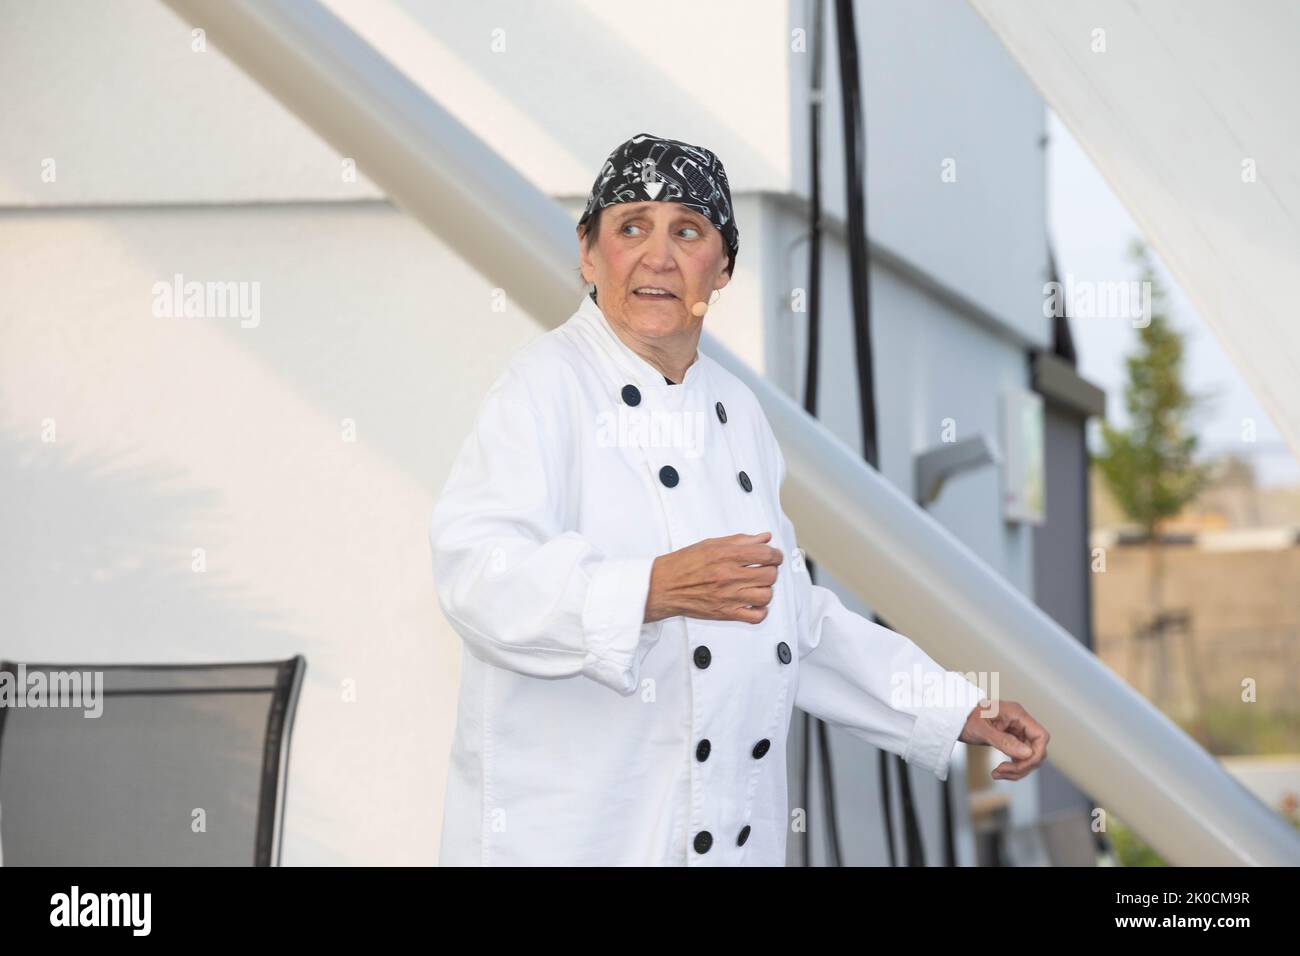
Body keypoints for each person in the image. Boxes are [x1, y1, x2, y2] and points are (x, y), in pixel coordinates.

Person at [428, 132, 1048, 866]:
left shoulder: (737, 411)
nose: (658, 256)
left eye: (687, 231)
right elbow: (477, 576)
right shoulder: (544, 386)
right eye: (632, 227)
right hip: (579, 838)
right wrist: (648, 590)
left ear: (721, 267)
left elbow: (791, 617)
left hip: (726, 838)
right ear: (589, 254)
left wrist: (953, 707)